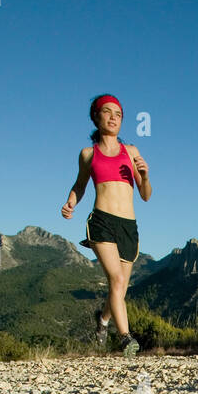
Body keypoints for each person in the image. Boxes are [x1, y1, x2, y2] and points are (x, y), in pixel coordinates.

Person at [60, 94, 152, 355]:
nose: (113, 117)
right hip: (101, 221)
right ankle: (125, 338)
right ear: (95, 116)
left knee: (120, 286)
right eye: (107, 112)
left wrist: (144, 177)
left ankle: (102, 321)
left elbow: (145, 195)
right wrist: (70, 203)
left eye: (119, 114)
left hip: (128, 225)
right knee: (116, 278)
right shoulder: (88, 154)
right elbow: (80, 184)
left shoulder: (131, 152)